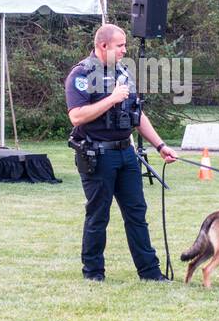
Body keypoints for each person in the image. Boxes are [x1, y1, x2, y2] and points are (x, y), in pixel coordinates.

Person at [65, 23, 178, 282]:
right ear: (103, 46)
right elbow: (77, 116)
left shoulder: (123, 72)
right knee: (98, 215)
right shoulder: (81, 74)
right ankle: (93, 273)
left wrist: (160, 146)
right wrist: (112, 99)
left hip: (126, 154)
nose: (125, 50)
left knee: (137, 213)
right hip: (98, 155)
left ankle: (150, 273)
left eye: (125, 44)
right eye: (120, 45)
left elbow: (137, 116)